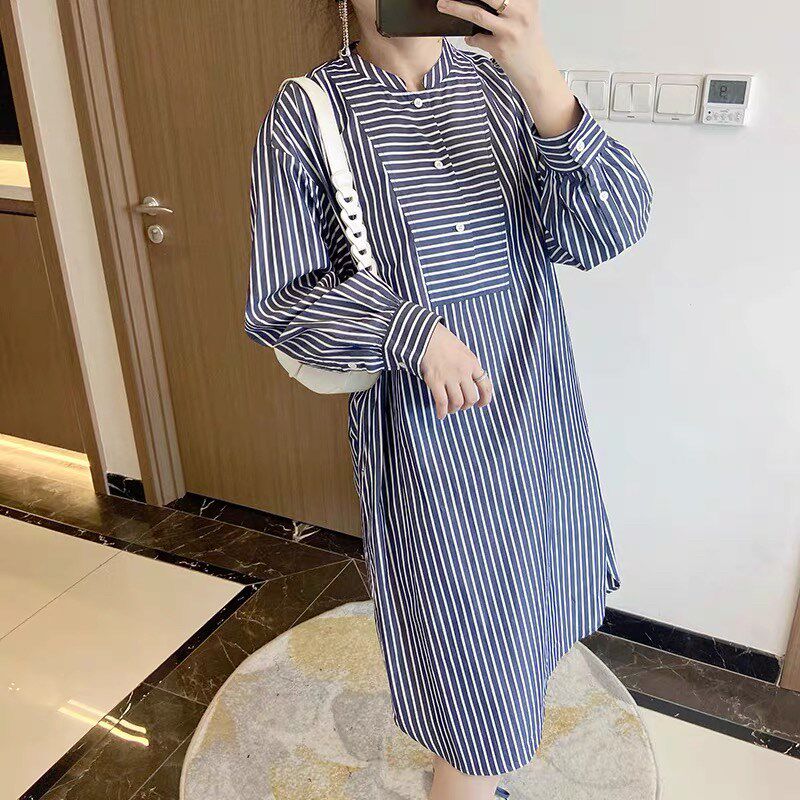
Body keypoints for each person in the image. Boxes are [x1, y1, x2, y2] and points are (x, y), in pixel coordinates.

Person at [245, 1, 652, 797]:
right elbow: (282, 302)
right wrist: (413, 333)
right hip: (432, 444)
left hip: (537, 413)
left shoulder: (506, 86)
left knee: (532, 609)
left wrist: (540, 76)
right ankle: (469, 775)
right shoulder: (308, 113)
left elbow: (608, 229)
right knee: (468, 645)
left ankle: (477, 762)